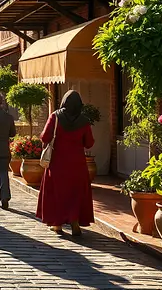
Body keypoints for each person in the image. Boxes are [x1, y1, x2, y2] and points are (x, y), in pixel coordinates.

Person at [37, 90, 95, 235]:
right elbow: (89, 143)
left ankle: (57, 224)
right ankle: (74, 219)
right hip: (77, 163)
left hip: (57, 162)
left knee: (57, 192)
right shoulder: (84, 120)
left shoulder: (55, 117)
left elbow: (45, 137)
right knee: (75, 192)